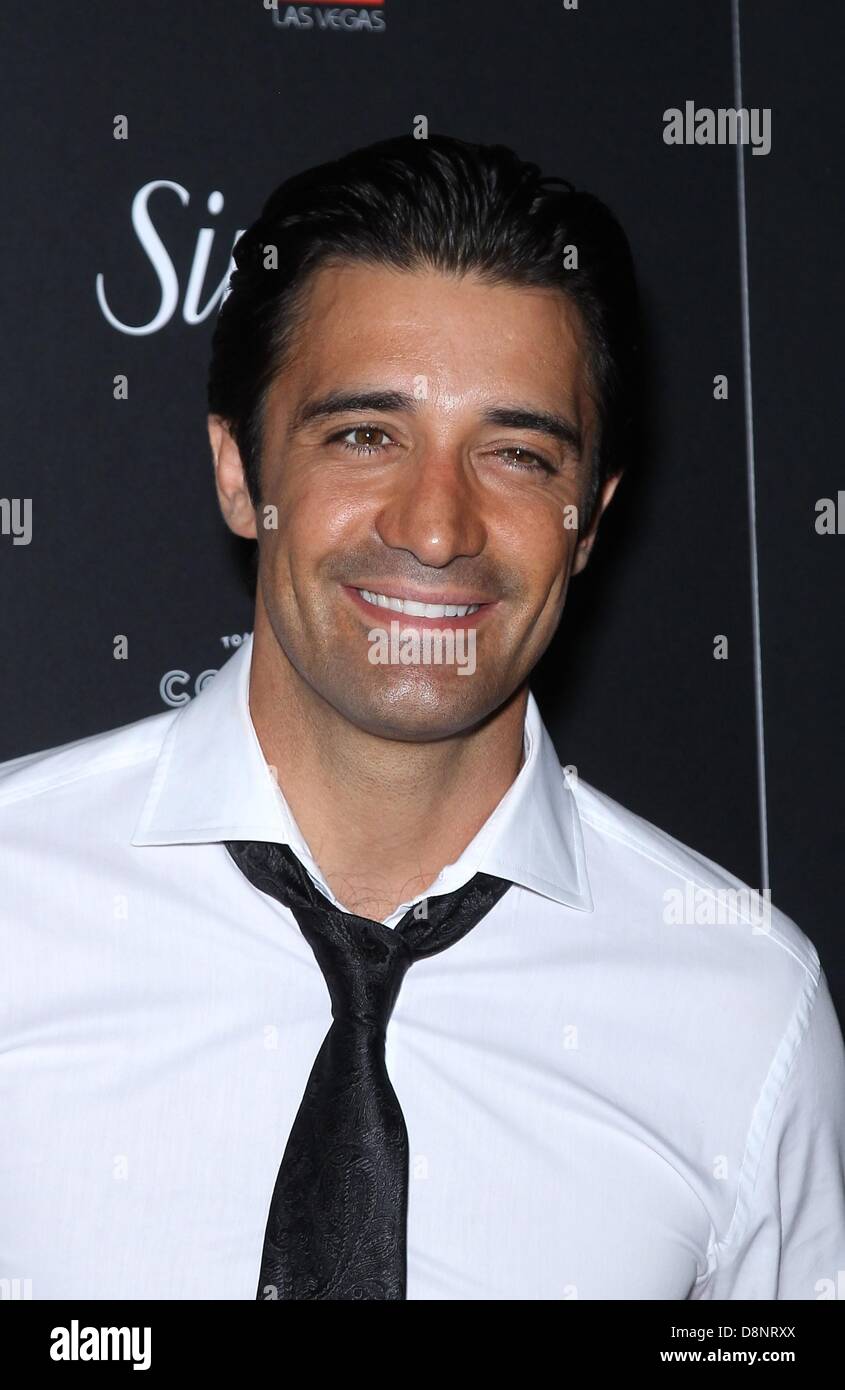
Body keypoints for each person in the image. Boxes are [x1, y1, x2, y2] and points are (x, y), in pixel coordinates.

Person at [2, 133, 843, 1302]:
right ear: (241, 473)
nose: (437, 526)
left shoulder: (746, 1009)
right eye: (364, 435)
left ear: (586, 520)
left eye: (513, 453)